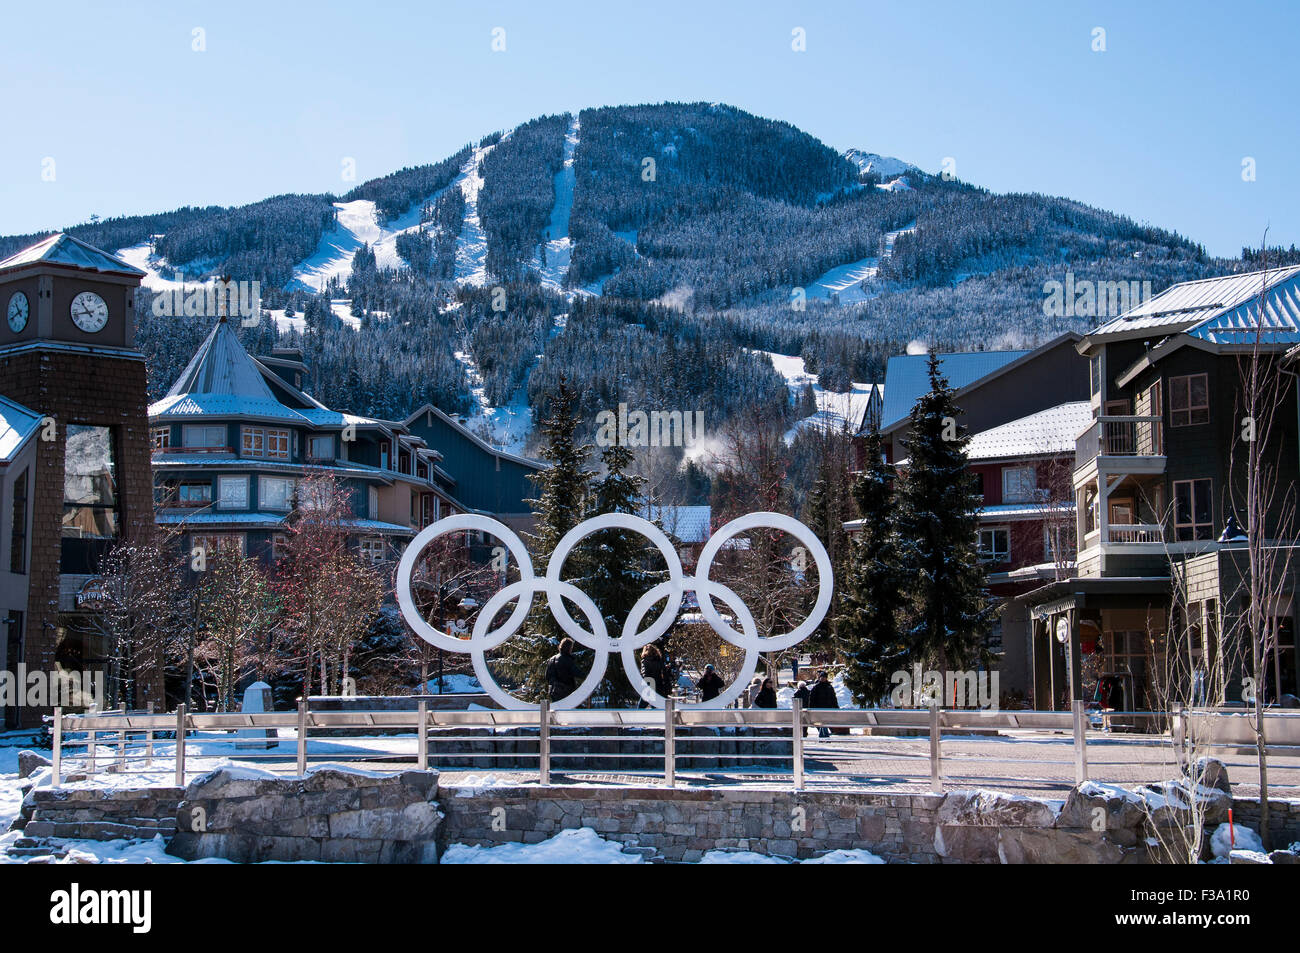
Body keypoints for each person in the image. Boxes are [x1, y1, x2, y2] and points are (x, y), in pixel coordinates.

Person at [808, 670, 838, 738]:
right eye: (821, 677)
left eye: (824, 677)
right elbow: (812, 699)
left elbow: (833, 698)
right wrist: (811, 708)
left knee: (825, 722)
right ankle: (824, 735)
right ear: (819, 678)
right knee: (821, 722)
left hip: (828, 708)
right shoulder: (816, 687)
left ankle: (823, 735)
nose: (823, 678)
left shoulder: (829, 687)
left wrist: (836, 707)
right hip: (819, 708)